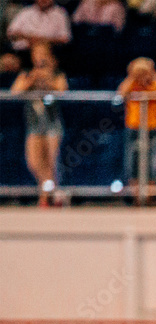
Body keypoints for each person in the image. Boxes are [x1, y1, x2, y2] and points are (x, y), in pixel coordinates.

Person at [11, 42, 66, 207]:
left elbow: (62, 91)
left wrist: (47, 79)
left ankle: (46, 196)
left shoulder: (56, 74)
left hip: (52, 123)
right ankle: (51, 191)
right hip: (33, 123)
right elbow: (15, 92)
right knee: (34, 162)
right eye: (37, 54)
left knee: (51, 160)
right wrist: (32, 80)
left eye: (43, 54)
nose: (40, 57)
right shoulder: (27, 74)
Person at [118, 57, 156, 205]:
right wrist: (132, 75)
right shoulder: (132, 84)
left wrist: (152, 73)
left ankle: (149, 199)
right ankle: (137, 200)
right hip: (134, 128)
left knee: (153, 164)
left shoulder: (154, 84)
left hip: (152, 128)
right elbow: (121, 92)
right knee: (133, 164)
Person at [6, 0, 71, 52]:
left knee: (39, 49)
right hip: (21, 49)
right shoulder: (26, 12)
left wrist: (42, 40)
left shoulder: (60, 14)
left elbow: (65, 39)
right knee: (7, 61)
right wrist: (28, 37)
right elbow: (10, 33)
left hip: (47, 50)